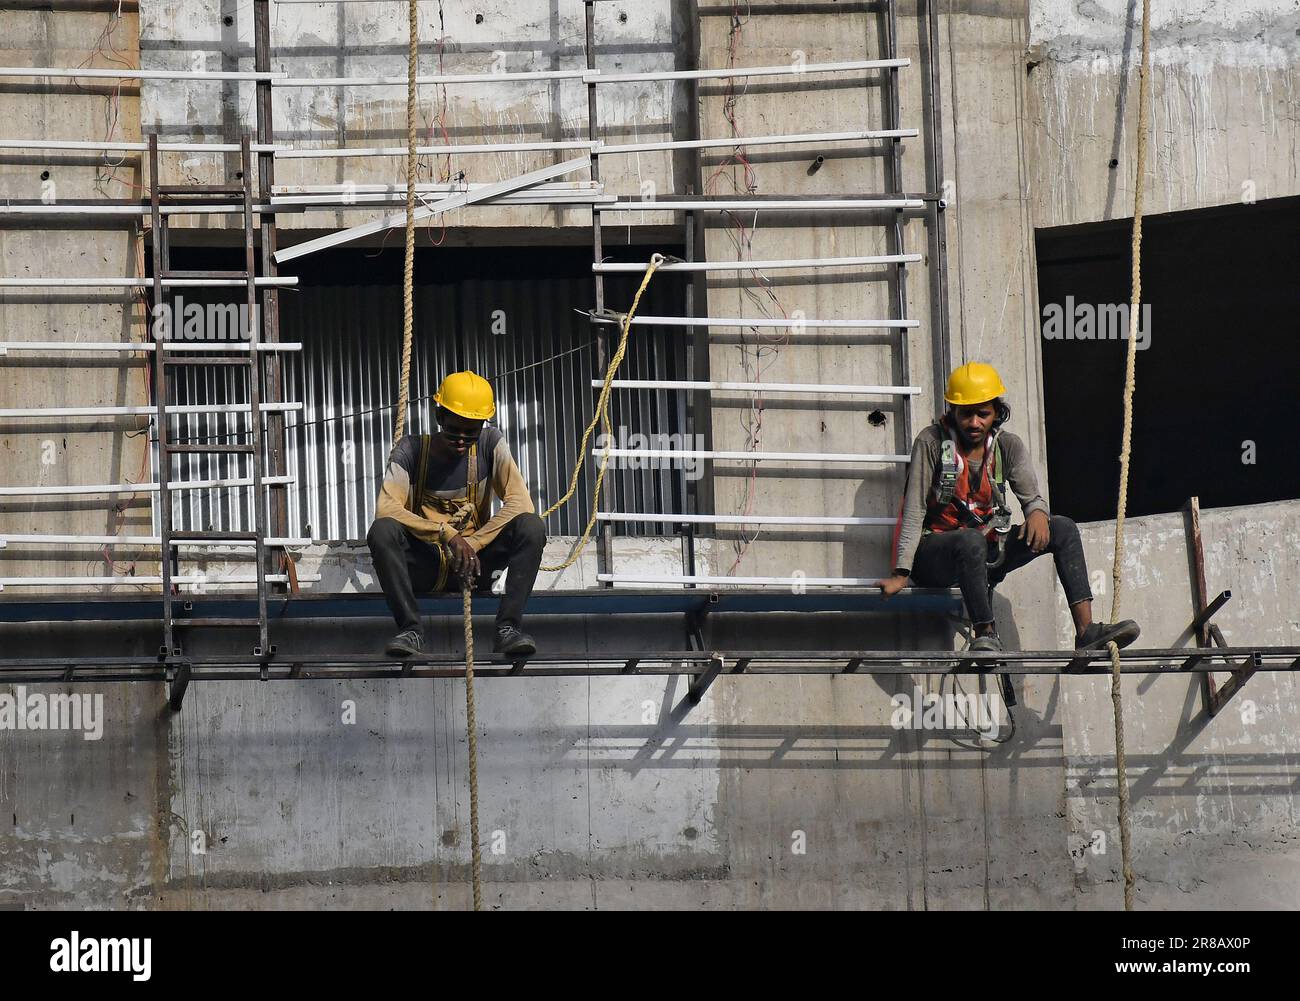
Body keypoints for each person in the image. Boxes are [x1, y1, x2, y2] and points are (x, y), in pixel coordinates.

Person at [881, 362, 1140, 654]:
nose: (974, 423)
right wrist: (901, 572)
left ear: (996, 412)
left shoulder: (1008, 446)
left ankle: (1086, 631)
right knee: (970, 540)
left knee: (1063, 528)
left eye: (983, 414)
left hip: (987, 552)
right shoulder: (931, 443)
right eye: (966, 414)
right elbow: (913, 508)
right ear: (953, 411)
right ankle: (985, 635)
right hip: (937, 556)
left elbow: (1032, 498)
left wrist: (1038, 514)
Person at [367, 370, 546, 658]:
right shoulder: (410, 450)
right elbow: (387, 509)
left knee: (531, 526)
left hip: (474, 568)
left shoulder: (490, 444)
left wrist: (473, 543)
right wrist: (448, 535)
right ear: (439, 417)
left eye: (470, 432)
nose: (461, 440)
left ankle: (507, 629)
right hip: (425, 565)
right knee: (382, 531)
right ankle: (410, 630)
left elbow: (520, 503)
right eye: (454, 431)